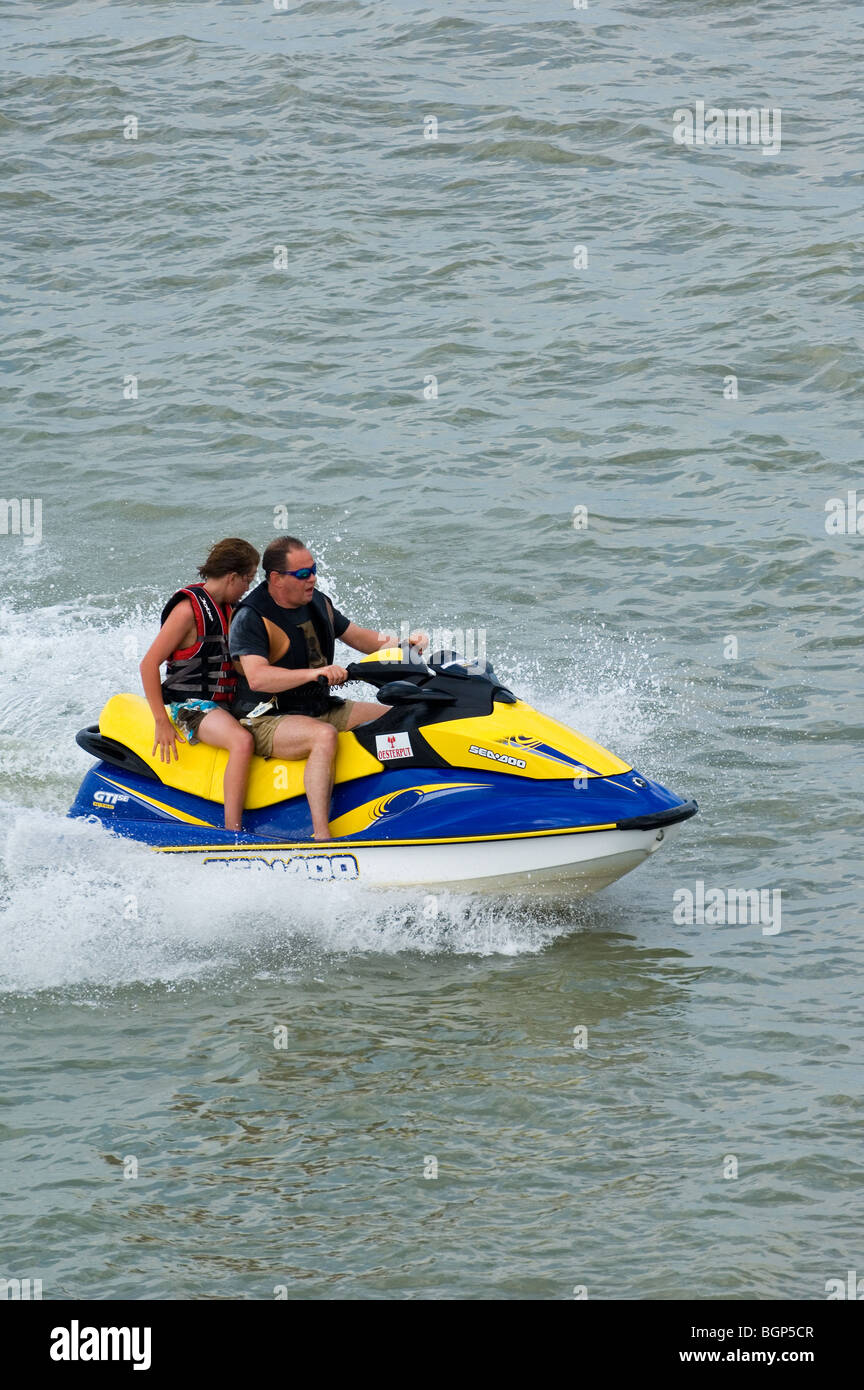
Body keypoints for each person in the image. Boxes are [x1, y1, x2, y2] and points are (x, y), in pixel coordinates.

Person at [229, 535, 427, 841]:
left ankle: (403, 808)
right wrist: (313, 674)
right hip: (265, 718)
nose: (313, 579)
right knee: (323, 736)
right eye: (303, 574)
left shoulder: (318, 602)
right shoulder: (251, 616)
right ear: (276, 579)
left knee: (400, 717)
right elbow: (258, 678)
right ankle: (321, 835)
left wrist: (404, 646)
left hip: (319, 707)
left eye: (314, 569)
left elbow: (362, 638)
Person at [139, 538, 260, 833]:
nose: (248, 588)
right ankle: (233, 832)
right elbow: (148, 665)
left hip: (226, 704)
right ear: (232, 577)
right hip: (190, 706)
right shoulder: (187, 612)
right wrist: (161, 721)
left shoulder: (232, 609)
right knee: (241, 742)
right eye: (247, 580)